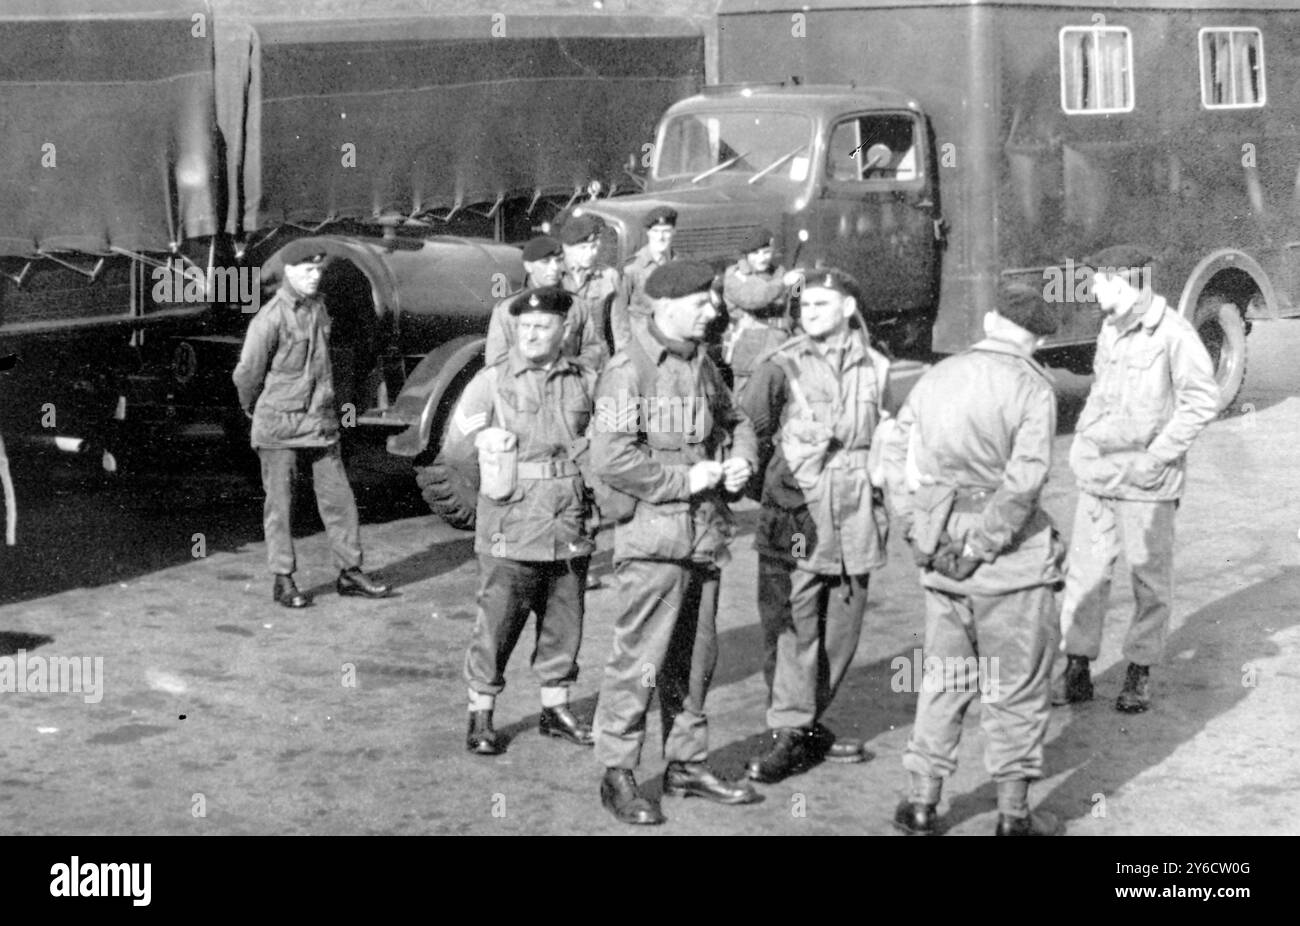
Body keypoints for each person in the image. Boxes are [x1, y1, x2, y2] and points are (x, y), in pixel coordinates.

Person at [882, 283, 1064, 836]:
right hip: (1008, 558)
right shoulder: (1033, 386)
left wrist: (917, 528)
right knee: (1015, 687)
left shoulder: (935, 377)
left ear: (989, 321)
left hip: (940, 547)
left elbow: (894, 454)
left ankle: (921, 803)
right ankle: (1012, 816)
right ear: (1034, 338)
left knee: (943, 679)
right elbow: (1024, 483)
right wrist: (982, 546)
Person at [590, 259, 760, 825]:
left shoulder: (704, 363)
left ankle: (686, 763)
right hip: (655, 542)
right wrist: (683, 480)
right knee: (639, 661)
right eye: (700, 302)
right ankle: (617, 773)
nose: (712, 310)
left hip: (705, 537)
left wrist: (739, 461)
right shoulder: (628, 369)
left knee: (695, 661)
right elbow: (610, 456)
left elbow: (738, 423)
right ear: (664, 306)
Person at [739, 268, 890, 783]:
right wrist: (775, 497)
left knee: (842, 627)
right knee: (792, 626)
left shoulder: (877, 366)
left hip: (857, 516)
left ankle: (807, 724)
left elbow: (888, 436)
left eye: (824, 303)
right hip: (799, 516)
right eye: (805, 304)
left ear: (848, 309)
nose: (811, 311)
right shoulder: (779, 367)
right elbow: (747, 433)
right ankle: (789, 730)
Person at [1055, 246, 1219, 713]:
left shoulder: (1174, 334)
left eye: (1100, 283)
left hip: (1147, 481)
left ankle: (1138, 672)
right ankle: (1078, 668)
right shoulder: (1111, 326)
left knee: (1149, 580)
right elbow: (1100, 392)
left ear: (1127, 284)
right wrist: (1082, 443)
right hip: (1100, 472)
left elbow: (1201, 401)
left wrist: (1159, 456)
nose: (1091, 290)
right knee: (1085, 572)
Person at [443, 287, 599, 755]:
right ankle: (481, 716)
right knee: (497, 624)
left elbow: (609, 440)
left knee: (564, 621)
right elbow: (456, 450)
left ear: (563, 330)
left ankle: (556, 709)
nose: (532, 335)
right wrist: (498, 488)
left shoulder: (584, 381)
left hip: (569, 522)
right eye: (525, 327)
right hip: (511, 524)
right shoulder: (490, 382)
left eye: (542, 326)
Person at [232, 241, 391, 608]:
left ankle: (350, 572)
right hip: (280, 426)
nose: (314, 276)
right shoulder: (269, 318)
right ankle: (283, 579)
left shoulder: (319, 309)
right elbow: (247, 374)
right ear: (288, 271)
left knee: (340, 501)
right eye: (307, 270)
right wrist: (252, 408)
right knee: (280, 506)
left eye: (319, 270)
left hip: (320, 423)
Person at [485, 235, 603, 370]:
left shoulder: (577, 306)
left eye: (558, 261)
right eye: (545, 262)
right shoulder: (507, 309)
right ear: (528, 266)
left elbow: (593, 349)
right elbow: (496, 361)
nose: (554, 268)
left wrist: (571, 373)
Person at [722, 227, 801, 394]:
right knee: (747, 403)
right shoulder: (735, 276)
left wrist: (798, 285)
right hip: (750, 350)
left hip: (781, 345)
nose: (761, 258)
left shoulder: (779, 273)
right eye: (755, 253)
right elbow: (753, 299)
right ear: (746, 255)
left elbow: (795, 305)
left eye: (766, 252)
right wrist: (783, 283)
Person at [610, 206, 676, 351]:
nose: (661, 237)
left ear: (674, 232)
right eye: (656, 232)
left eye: (666, 231)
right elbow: (619, 312)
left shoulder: (679, 264)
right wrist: (624, 348)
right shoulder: (633, 267)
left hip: (671, 342)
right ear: (648, 233)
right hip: (641, 343)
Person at [558, 214, 618, 366]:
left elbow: (620, 332)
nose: (591, 253)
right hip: (563, 364)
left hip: (599, 365)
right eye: (583, 248)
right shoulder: (554, 277)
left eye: (593, 247)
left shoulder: (608, 277)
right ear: (566, 248)